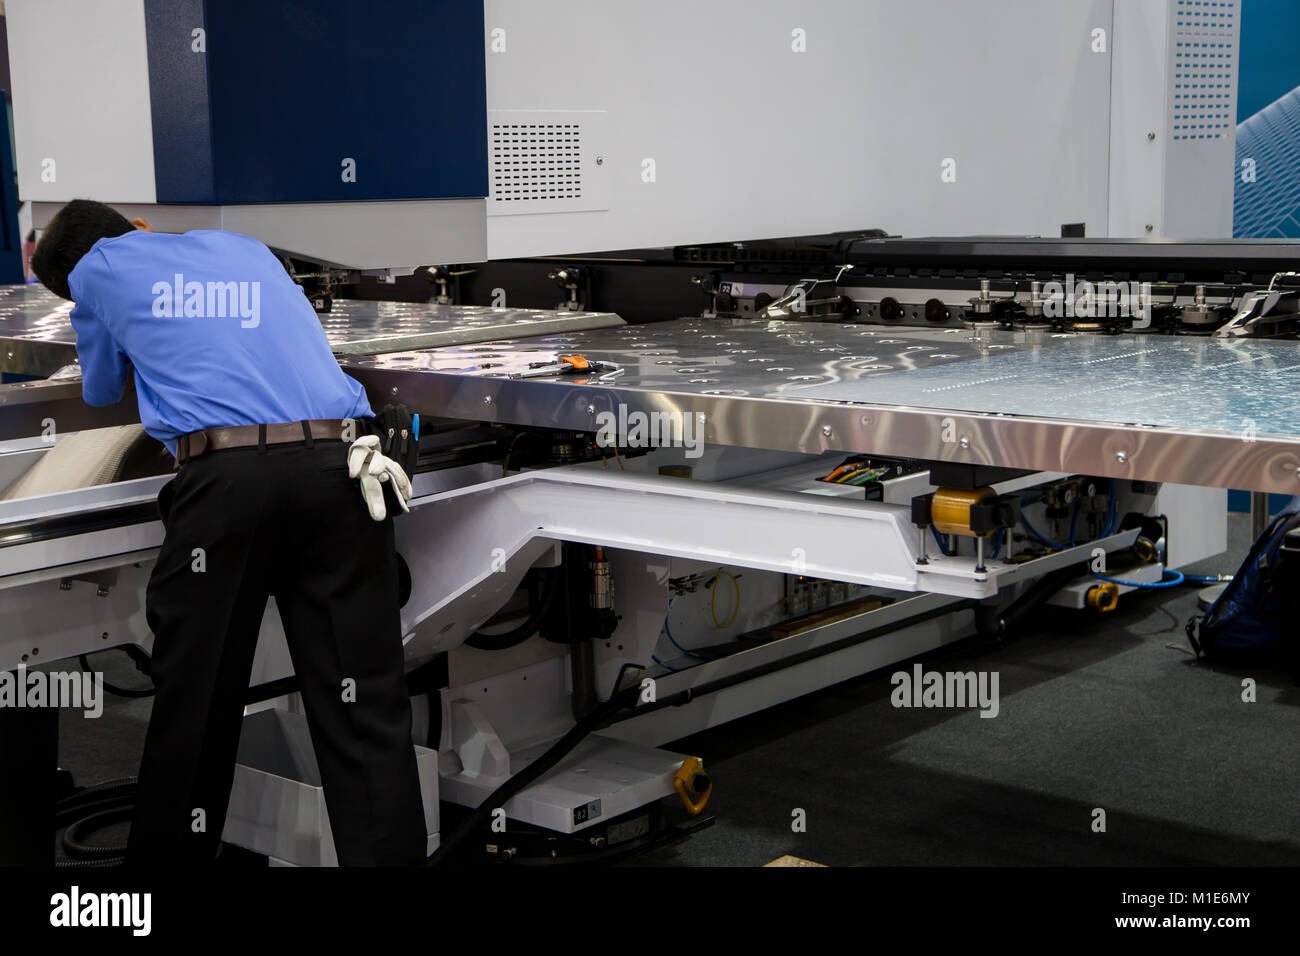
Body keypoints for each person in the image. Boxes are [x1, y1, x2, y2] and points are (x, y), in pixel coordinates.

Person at [30, 199, 426, 866]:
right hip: (344, 472)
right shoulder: (242, 247)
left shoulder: (93, 274)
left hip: (229, 487)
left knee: (199, 699)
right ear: (141, 226)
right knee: (365, 706)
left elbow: (99, 393)